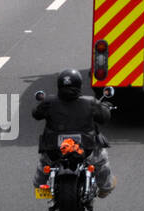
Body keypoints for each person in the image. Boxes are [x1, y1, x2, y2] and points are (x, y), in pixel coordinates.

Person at [32, 69, 115, 197]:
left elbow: (36, 114)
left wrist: (42, 104)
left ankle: (42, 191)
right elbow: (104, 118)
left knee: (44, 163)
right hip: (86, 149)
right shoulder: (90, 102)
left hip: (54, 150)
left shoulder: (49, 102)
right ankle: (105, 188)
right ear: (79, 85)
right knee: (101, 160)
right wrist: (104, 106)